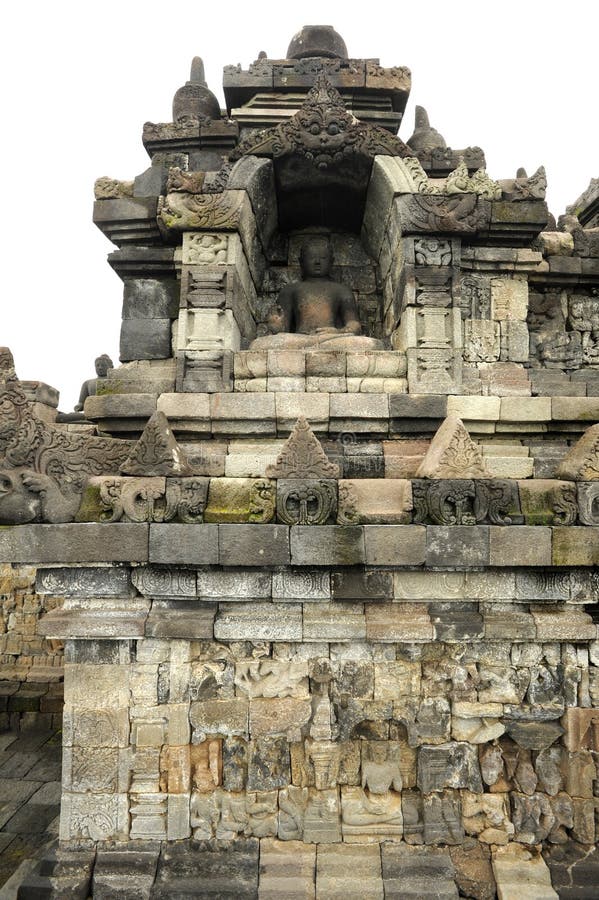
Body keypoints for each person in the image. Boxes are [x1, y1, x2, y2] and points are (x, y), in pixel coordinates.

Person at [250, 237, 382, 350]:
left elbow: (354, 325)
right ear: (301, 261)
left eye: (323, 258)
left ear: (331, 261)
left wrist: (339, 331)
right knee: (259, 345)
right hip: (299, 339)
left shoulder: (341, 290)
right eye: (312, 257)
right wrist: (276, 325)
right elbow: (283, 330)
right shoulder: (290, 290)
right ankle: (314, 345)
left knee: (372, 345)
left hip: (332, 339)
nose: (317, 262)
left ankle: (318, 345)